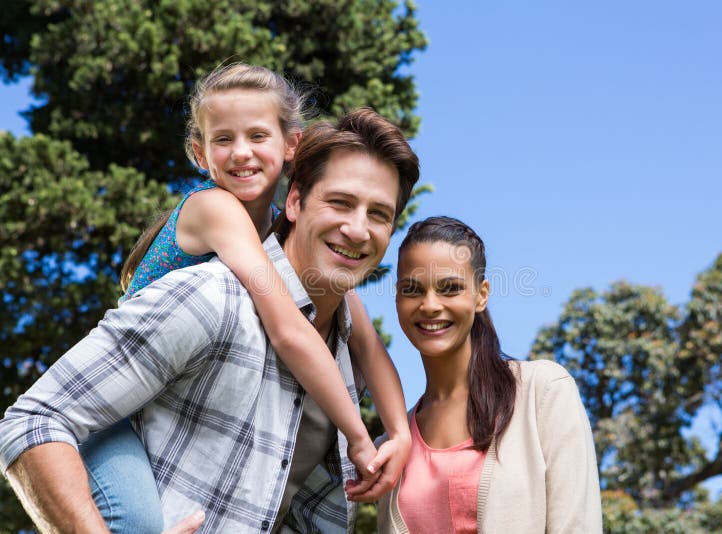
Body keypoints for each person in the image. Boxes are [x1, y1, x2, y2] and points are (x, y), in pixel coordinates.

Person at [0, 108, 419, 533]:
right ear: (294, 201)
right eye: (340, 202)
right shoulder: (214, 298)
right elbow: (34, 420)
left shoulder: (350, 358)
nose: (358, 229)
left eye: (379, 215)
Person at [374, 216, 602, 533]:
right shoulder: (392, 444)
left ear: (481, 294)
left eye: (450, 288)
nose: (429, 305)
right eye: (412, 289)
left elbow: (578, 525)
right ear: (397, 298)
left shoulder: (543, 392)